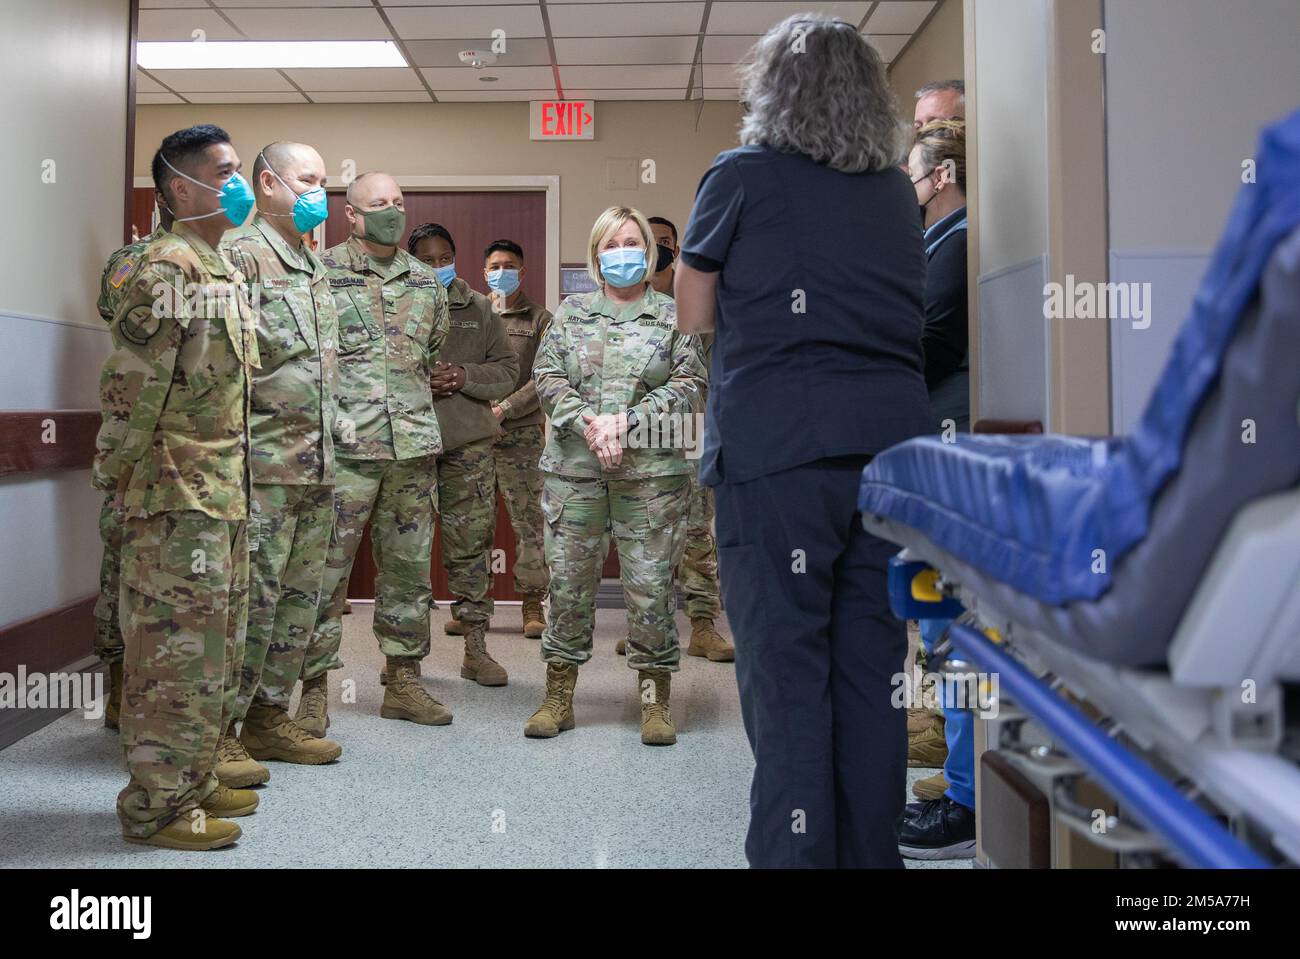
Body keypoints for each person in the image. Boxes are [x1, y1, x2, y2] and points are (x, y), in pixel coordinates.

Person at [675, 15, 933, 867]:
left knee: (787, 677)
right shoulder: (897, 190)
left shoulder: (740, 175)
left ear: (771, 91)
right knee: (872, 674)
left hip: (779, 453)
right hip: (890, 459)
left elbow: (695, 313)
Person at [97, 124, 262, 849]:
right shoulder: (166, 269)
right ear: (178, 188)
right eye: (222, 171)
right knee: (170, 659)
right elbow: (134, 392)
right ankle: (156, 805)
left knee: (211, 653)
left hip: (219, 496)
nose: (237, 182)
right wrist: (122, 490)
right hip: (172, 501)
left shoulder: (218, 267)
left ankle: (192, 779)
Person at [525, 206, 706, 746]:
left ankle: (654, 701)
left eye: (632, 242)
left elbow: (690, 385)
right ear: (597, 255)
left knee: (650, 589)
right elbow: (546, 374)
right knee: (569, 586)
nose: (622, 251)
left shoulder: (676, 316)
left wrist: (626, 423)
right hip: (575, 473)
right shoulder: (572, 312)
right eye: (612, 243)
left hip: (649, 476)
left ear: (649, 253)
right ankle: (558, 696)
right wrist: (589, 422)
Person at [296, 172, 452, 732]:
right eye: (378, 204)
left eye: (399, 202)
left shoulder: (426, 282)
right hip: (344, 449)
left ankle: (404, 682)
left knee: (409, 570)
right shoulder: (320, 272)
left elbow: (429, 352)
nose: (392, 211)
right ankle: (312, 689)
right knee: (324, 571)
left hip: (410, 448)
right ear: (352, 216)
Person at [216, 141, 344, 785]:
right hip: (264, 465)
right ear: (267, 184)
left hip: (317, 464)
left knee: (300, 600)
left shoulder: (311, 263)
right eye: (308, 180)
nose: (320, 193)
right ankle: (222, 731)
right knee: (253, 600)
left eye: (325, 181)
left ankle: (269, 717)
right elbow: (227, 366)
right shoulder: (241, 257)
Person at [898, 118, 977, 860]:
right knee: (937, 625)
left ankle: (966, 800)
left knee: (951, 629)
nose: (906, 184)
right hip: (928, 452)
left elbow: (924, 345)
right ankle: (961, 785)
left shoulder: (958, 247)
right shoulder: (932, 245)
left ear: (942, 175)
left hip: (949, 455)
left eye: (912, 170)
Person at [407, 222, 518, 686]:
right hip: (406, 443)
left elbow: (509, 370)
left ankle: (475, 648)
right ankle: (404, 662)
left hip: (467, 443)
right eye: (427, 259)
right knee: (405, 552)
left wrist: (463, 377)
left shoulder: (479, 308)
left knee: (471, 548)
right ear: (411, 261)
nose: (438, 266)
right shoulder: (392, 302)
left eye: (445, 257)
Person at [93, 187, 173, 731]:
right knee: (123, 563)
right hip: (135, 435)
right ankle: (120, 685)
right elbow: (121, 326)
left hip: (194, 449)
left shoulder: (226, 263)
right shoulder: (133, 261)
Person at [640, 214, 732, 662]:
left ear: (675, 250)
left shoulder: (694, 301)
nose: (658, 249)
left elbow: (713, 372)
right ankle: (650, 627)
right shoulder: (624, 300)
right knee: (647, 531)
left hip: (690, 427)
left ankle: (702, 625)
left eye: (666, 243)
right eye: (650, 242)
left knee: (696, 528)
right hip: (641, 431)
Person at [482, 238, 553, 639]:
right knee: (475, 525)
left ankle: (531, 604)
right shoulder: (474, 315)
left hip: (521, 436)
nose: (501, 271)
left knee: (529, 523)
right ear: (484, 272)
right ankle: (474, 606)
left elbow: (544, 378)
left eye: (509, 265)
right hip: (475, 438)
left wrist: (504, 408)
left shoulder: (540, 320)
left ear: (522, 272)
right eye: (495, 265)